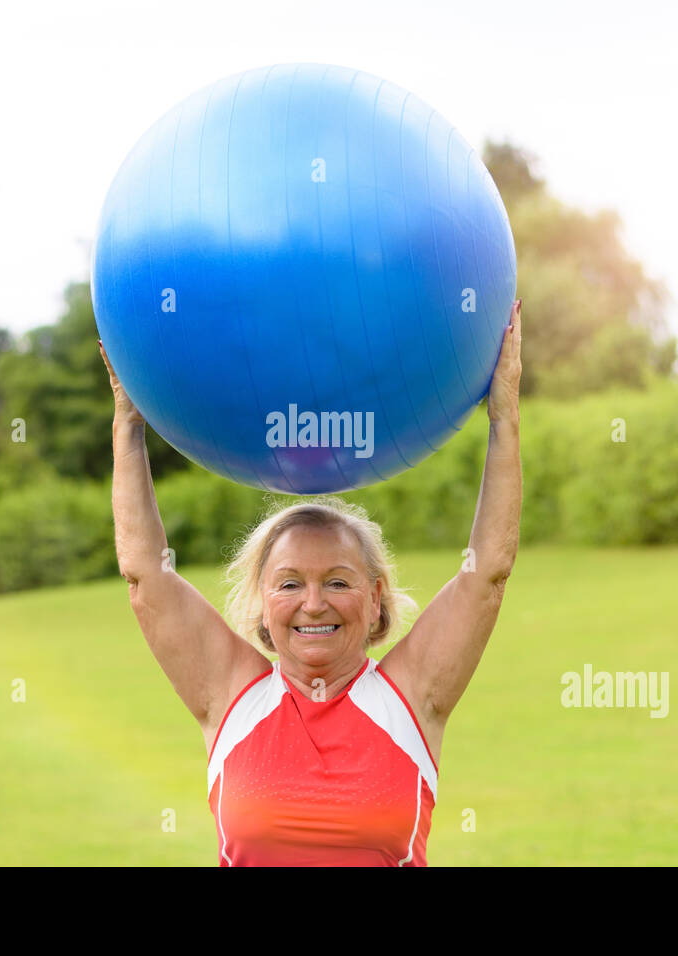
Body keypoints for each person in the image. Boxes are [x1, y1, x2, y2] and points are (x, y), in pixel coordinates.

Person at [103, 299, 522, 866]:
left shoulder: (412, 696)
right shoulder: (230, 696)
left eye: (339, 582)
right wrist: (128, 424)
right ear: (262, 602)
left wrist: (505, 420)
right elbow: (145, 573)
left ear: (376, 598)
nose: (313, 603)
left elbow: (488, 573)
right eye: (289, 584)